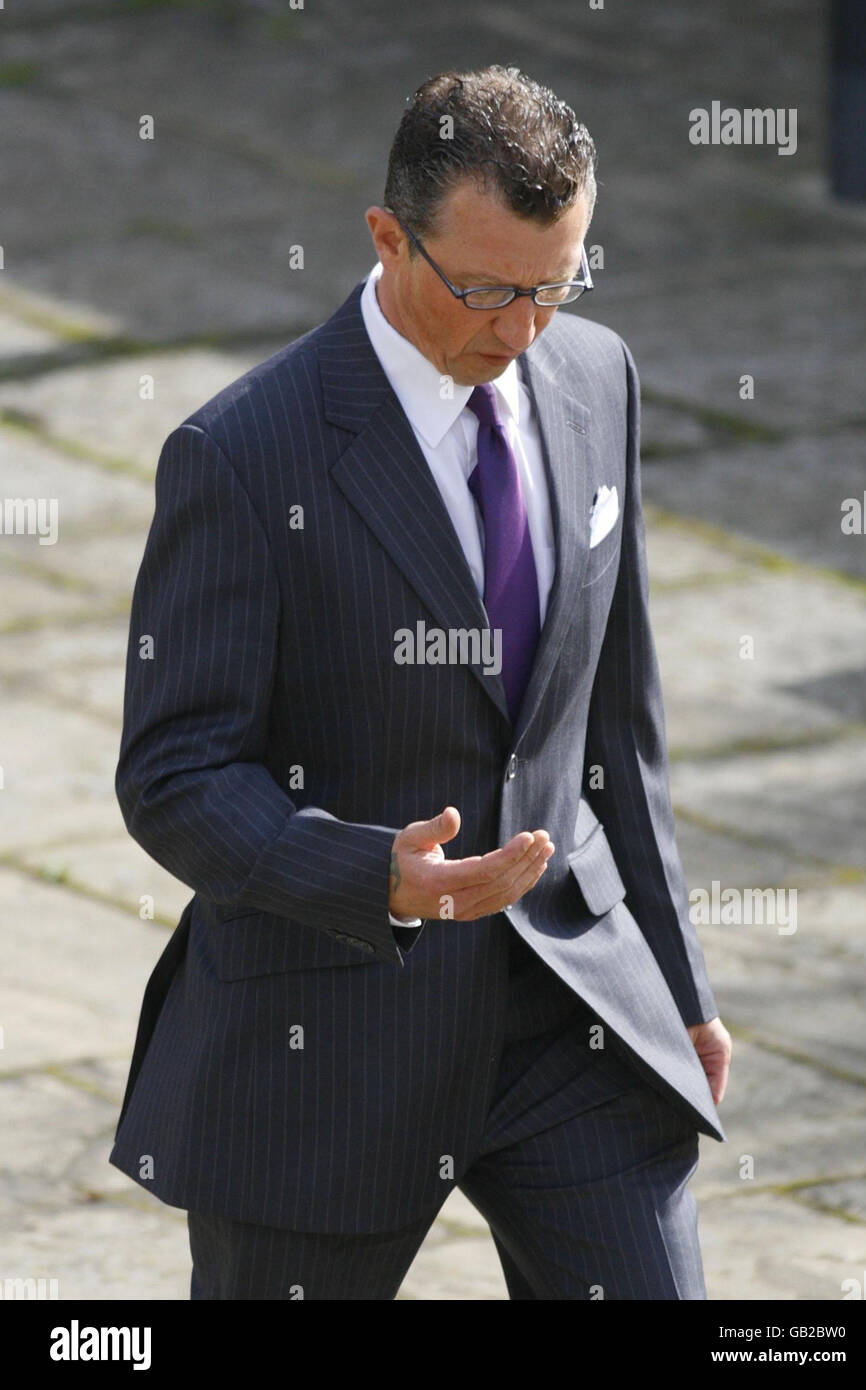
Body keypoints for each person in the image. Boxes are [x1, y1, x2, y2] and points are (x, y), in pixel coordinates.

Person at [109, 64, 731, 1300]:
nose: (522, 331)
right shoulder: (241, 457)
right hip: (328, 1031)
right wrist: (372, 876)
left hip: (571, 1014)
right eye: (489, 289)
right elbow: (174, 772)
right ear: (387, 238)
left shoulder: (595, 378)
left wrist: (675, 981)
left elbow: (618, 725)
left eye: (556, 285)